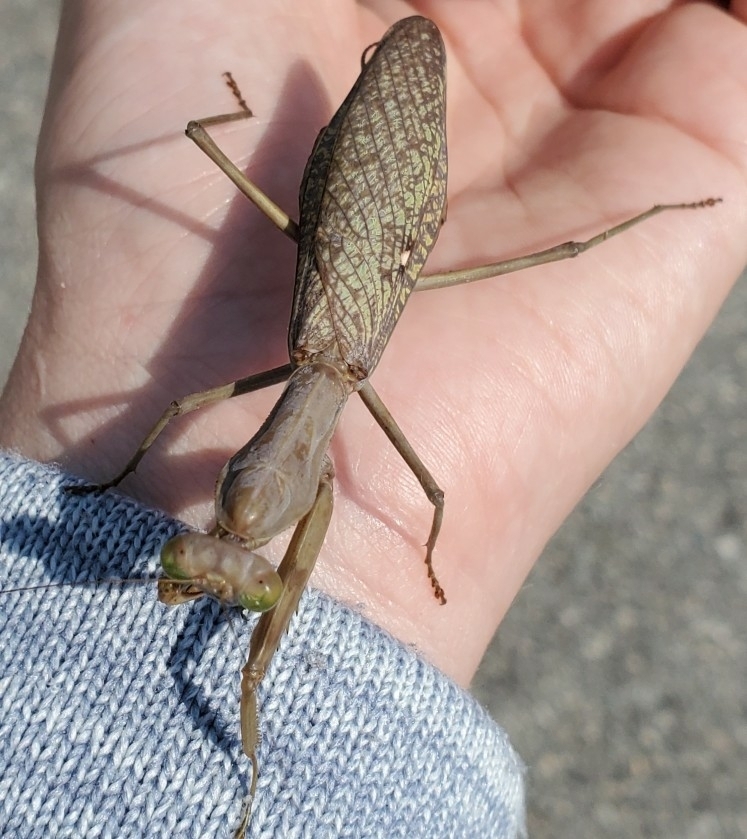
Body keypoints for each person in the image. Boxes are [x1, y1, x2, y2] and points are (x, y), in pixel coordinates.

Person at [1, 3, 744, 836]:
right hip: (362, 266)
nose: (223, 567)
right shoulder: (266, 463)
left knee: (560, 253)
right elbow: (409, 492)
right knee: (414, 453)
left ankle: (662, 210)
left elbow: (201, 424)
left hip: (357, 276)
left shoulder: (250, 442)